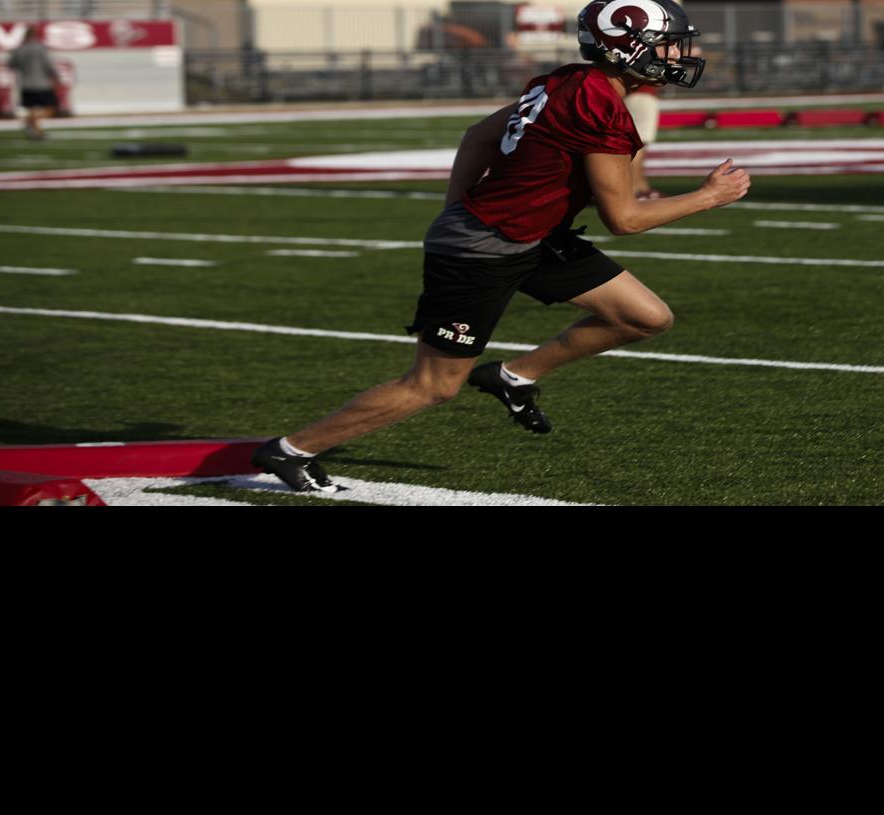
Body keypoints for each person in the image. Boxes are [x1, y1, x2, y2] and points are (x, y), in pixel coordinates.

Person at [251, 0, 747, 493]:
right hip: (484, 248)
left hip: (526, 234)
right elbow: (624, 218)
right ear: (627, 47)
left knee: (644, 317)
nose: (679, 53)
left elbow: (476, 138)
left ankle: (512, 377)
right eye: (666, 43)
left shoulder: (568, 80)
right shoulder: (598, 104)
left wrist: (456, 208)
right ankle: (291, 450)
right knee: (433, 385)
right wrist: (707, 197)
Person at [8, 29, 60, 141]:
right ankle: (29, 121)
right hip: (42, 84)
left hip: (25, 84)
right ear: (35, 35)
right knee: (51, 108)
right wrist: (56, 76)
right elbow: (49, 65)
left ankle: (37, 132)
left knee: (31, 109)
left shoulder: (18, 49)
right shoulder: (41, 49)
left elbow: (11, 65)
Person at [626, 82, 663, 199]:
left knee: (638, 146)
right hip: (641, 97)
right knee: (638, 146)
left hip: (635, 96)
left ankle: (641, 187)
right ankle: (635, 188)